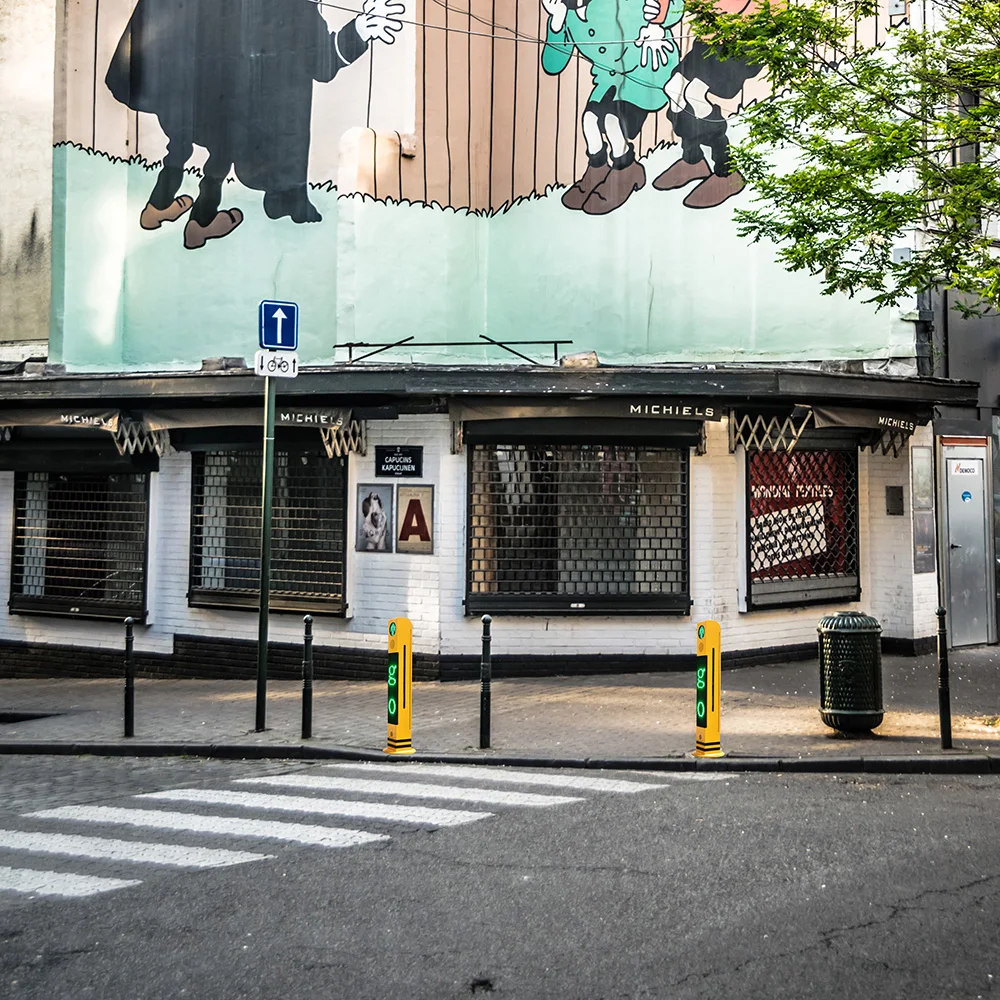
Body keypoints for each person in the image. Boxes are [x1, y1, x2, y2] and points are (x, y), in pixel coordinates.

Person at [105, 0, 405, 248]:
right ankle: (199, 222)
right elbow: (321, 62)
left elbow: (321, 62)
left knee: (192, 146)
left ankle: (161, 209)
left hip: (198, 95)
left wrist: (359, 30)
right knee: (215, 153)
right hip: (213, 99)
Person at [541, 0, 685, 215]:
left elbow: (674, 6)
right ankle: (597, 169)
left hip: (645, 71)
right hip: (608, 81)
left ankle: (625, 169)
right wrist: (556, 22)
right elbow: (553, 64)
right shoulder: (567, 17)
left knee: (612, 121)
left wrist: (659, 20)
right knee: (589, 120)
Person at [638, 0, 762, 208]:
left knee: (694, 94)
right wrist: (655, 23)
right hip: (708, 42)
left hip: (740, 47)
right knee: (674, 88)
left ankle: (726, 170)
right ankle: (692, 159)